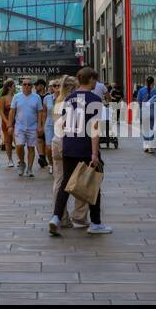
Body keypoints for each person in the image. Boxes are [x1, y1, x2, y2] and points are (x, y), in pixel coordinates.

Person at [49, 67, 111, 236]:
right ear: (90, 80)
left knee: (65, 184)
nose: (96, 83)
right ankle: (96, 223)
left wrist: (65, 144)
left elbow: (62, 125)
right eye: (95, 80)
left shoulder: (69, 98)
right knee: (93, 183)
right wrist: (94, 153)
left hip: (69, 146)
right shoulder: (94, 99)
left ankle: (56, 217)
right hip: (85, 146)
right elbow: (95, 129)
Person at [50, 76, 90, 228]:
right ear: (74, 88)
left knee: (59, 181)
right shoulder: (75, 102)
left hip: (56, 142)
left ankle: (61, 217)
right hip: (72, 143)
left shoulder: (58, 101)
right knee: (81, 179)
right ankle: (79, 216)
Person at [11, 78, 43, 177]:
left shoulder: (36, 97)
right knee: (19, 146)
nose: (27, 86)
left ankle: (29, 168)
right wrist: (9, 125)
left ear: (32, 86)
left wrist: (39, 126)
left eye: (29, 84)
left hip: (32, 126)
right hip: (19, 126)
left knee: (31, 147)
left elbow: (40, 112)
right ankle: (22, 162)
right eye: (25, 84)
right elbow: (12, 112)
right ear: (22, 85)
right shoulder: (16, 97)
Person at [137, 76, 156, 154]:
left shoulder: (141, 90)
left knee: (145, 129)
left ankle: (146, 145)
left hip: (144, 111)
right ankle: (151, 146)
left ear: (146, 82)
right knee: (152, 129)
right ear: (153, 83)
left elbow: (138, 101)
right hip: (154, 111)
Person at [0, 80, 16, 166]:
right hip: (6, 121)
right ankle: (10, 160)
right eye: (14, 86)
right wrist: (6, 122)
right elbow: (1, 111)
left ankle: (20, 158)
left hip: (17, 121)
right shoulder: (3, 98)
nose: (15, 88)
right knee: (8, 141)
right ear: (9, 87)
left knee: (18, 141)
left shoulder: (16, 97)